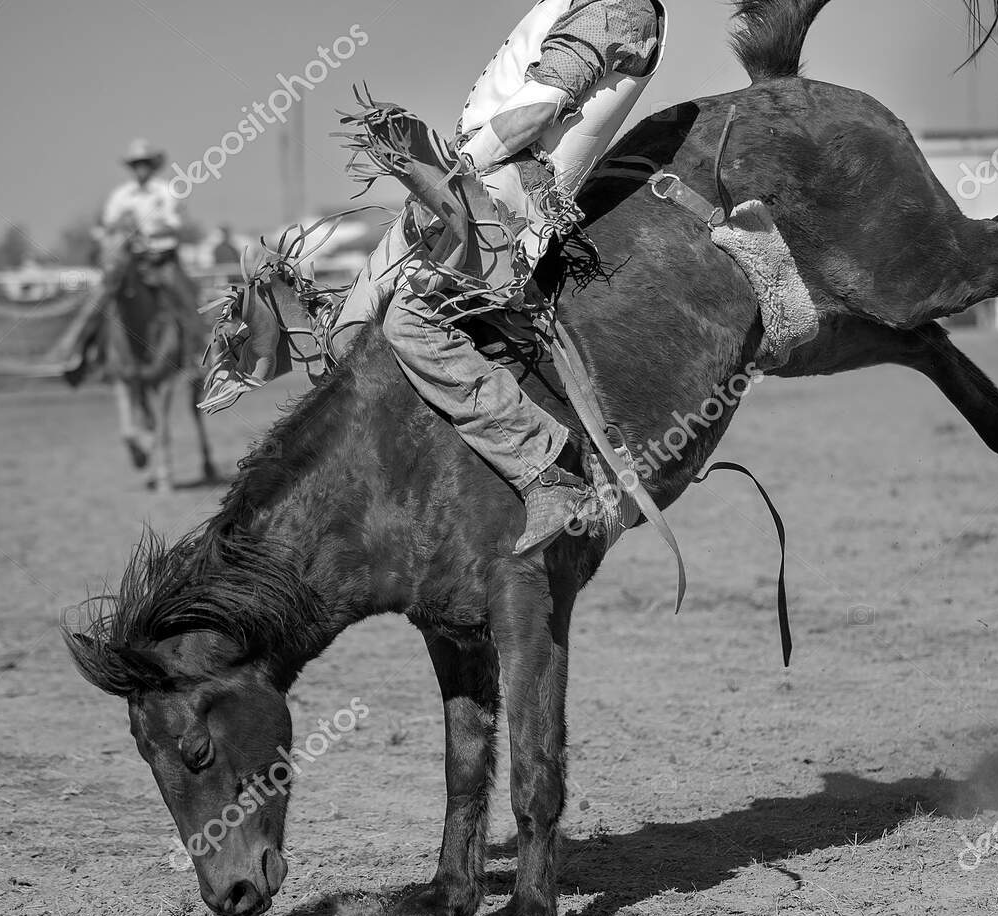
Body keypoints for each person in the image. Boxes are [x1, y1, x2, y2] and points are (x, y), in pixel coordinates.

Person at [208, 1, 666, 556]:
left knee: (411, 320)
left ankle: (547, 468)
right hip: (463, 189)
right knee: (349, 337)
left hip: (509, 196)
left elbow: (540, 109)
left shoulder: (620, 6)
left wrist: (449, 170)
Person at [62, 139, 201, 381]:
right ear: (131, 167)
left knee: (188, 298)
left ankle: (197, 356)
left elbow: (175, 227)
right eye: (136, 164)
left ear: (152, 165)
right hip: (129, 262)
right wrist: (121, 228)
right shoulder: (121, 196)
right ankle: (80, 353)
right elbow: (107, 227)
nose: (141, 168)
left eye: (145, 163)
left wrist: (145, 233)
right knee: (99, 299)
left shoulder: (166, 191)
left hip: (162, 260)